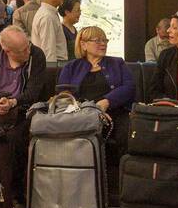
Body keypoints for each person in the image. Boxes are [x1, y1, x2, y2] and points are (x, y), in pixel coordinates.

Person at [0, 25, 49, 208]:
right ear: (7, 51)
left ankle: (15, 194)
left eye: (28, 46)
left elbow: (33, 93)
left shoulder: (36, 56)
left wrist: (13, 102)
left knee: (14, 139)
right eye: (23, 50)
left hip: (23, 109)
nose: (28, 51)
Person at [57, 26, 135, 160]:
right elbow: (64, 95)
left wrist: (106, 102)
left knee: (126, 132)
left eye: (105, 40)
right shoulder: (71, 67)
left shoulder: (117, 63)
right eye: (98, 41)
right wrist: (90, 109)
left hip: (115, 113)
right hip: (82, 114)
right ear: (83, 44)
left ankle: (124, 175)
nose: (103, 44)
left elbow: (129, 87)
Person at [31, 0, 68, 67]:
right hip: (55, 68)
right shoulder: (47, 16)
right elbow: (48, 51)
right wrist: (51, 75)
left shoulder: (50, 13)